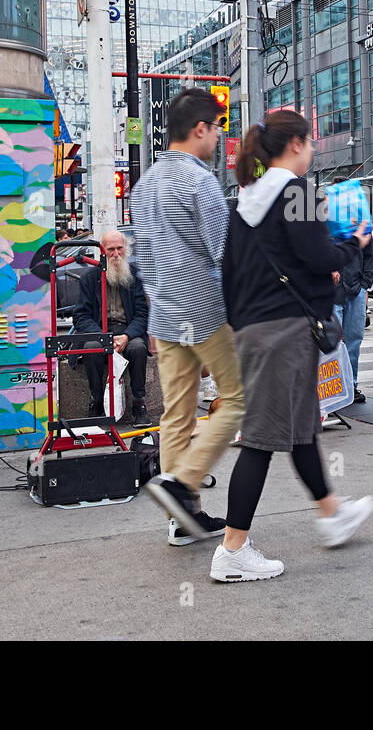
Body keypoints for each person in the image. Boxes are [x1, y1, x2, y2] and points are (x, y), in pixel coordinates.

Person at [214, 110, 373, 582]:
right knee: (262, 439)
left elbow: (231, 275)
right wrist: (357, 244)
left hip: (257, 329)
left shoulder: (244, 201)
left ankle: (331, 512)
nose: (313, 150)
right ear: (298, 145)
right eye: (311, 142)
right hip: (283, 331)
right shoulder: (297, 193)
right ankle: (232, 549)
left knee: (302, 427)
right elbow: (320, 255)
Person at [132, 88, 246, 547]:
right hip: (204, 308)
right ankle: (184, 483)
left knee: (176, 413)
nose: (219, 137)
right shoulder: (201, 184)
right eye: (217, 128)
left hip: (164, 312)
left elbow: (144, 260)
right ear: (200, 129)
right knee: (236, 400)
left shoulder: (144, 185)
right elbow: (223, 254)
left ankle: (184, 518)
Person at [71, 230, 151, 425]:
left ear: (126, 250)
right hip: (99, 333)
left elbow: (142, 314)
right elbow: (80, 316)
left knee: (138, 348)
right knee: (91, 348)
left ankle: (139, 404)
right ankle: (96, 403)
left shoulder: (135, 277)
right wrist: (103, 337)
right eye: (111, 250)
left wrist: (126, 336)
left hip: (128, 332)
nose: (115, 254)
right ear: (102, 252)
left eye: (119, 249)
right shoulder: (90, 278)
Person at [333, 183, 373, 405]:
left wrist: (365, 282)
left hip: (355, 288)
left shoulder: (362, 222)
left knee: (354, 339)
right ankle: (332, 388)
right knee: (331, 341)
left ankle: (352, 384)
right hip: (333, 291)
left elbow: (370, 255)